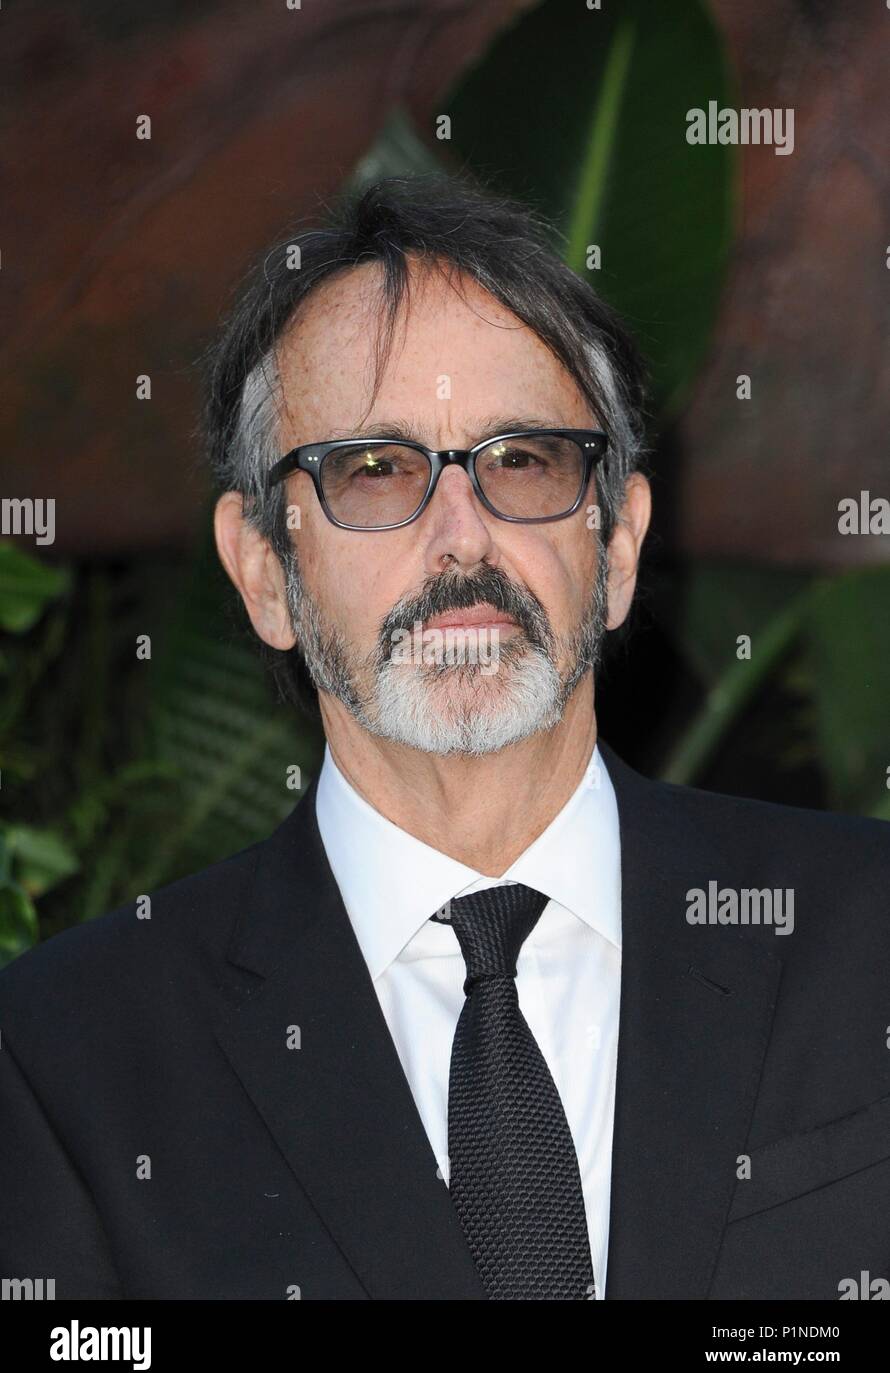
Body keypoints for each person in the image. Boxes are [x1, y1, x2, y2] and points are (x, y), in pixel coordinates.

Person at [2, 174, 889, 1302]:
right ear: (264, 571)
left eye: (522, 459)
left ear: (613, 544)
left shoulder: (865, 936)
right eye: (374, 470)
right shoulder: (64, 1057)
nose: (459, 536)